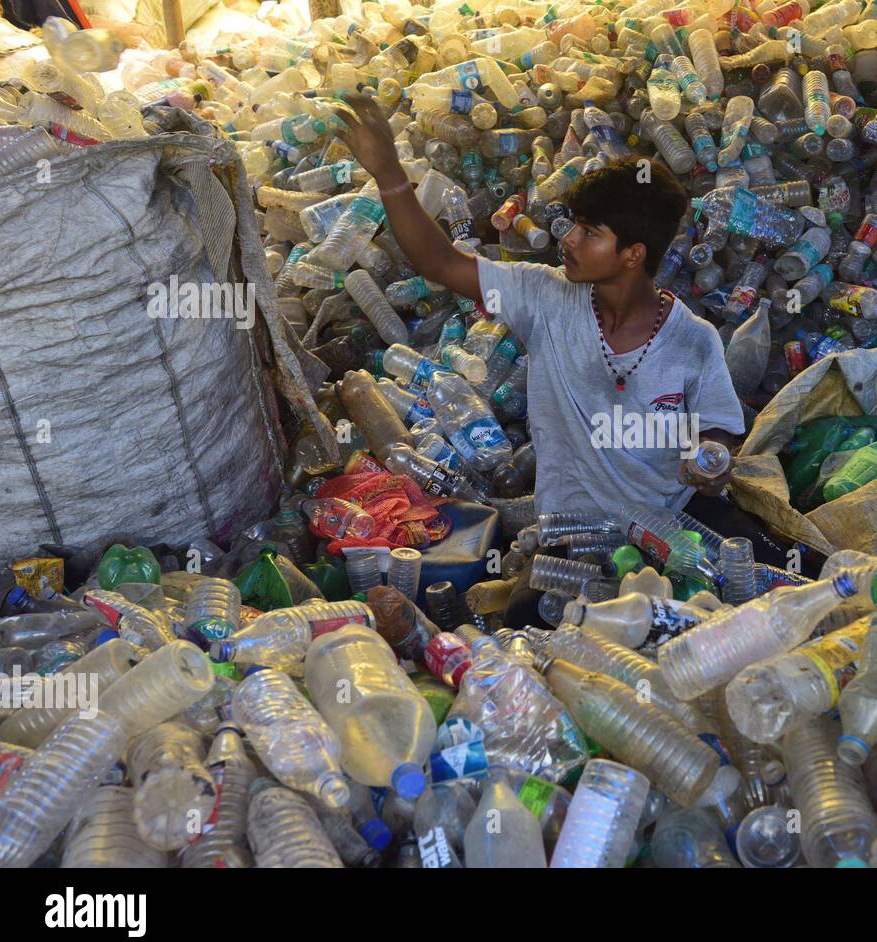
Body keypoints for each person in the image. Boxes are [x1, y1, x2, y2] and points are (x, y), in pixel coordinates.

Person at [335, 95, 824, 625]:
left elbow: (720, 434)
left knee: (797, 583)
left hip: (673, 521)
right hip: (573, 532)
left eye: (590, 233)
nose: (567, 238)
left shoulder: (694, 340)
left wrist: (710, 460)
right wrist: (389, 175)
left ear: (633, 254)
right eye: (575, 224)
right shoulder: (544, 298)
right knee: (532, 624)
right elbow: (438, 261)